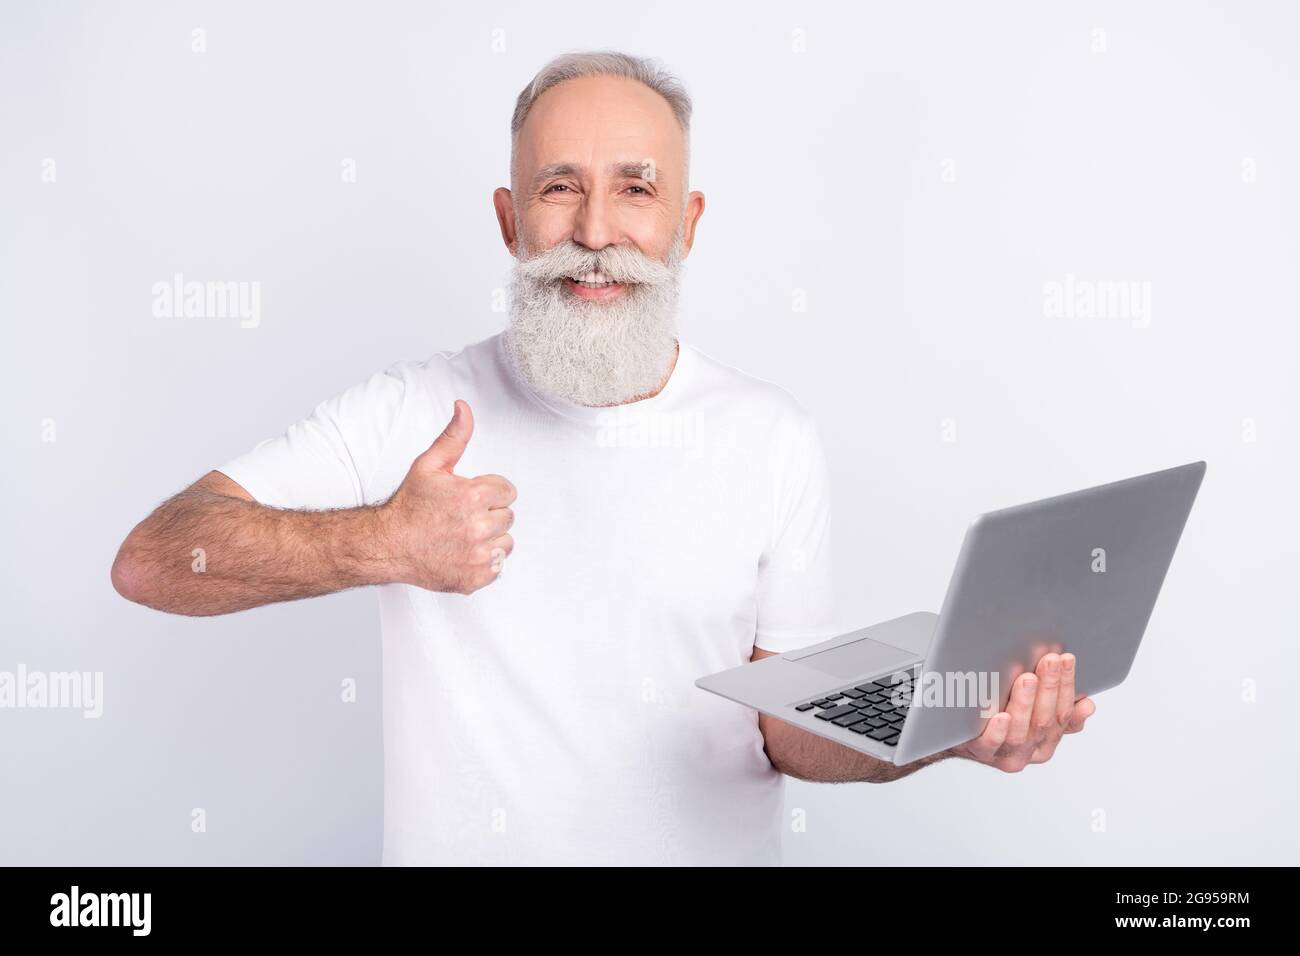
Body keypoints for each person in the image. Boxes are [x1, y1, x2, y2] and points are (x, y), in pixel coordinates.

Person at [111, 50, 1095, 865]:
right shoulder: (412, 408)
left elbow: (784, 726)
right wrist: (386, 541)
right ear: (509, 220)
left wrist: (949, 722)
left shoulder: (769, 435)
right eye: (558, 188)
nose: (594, 232)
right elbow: (154, 557)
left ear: (685, 224)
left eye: (634, 189)